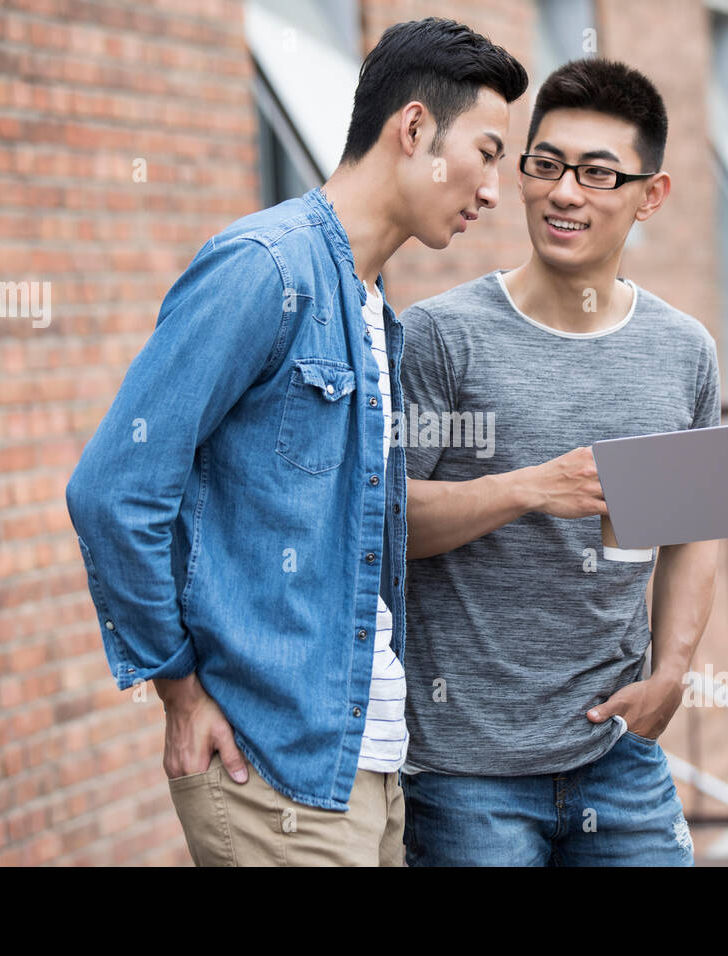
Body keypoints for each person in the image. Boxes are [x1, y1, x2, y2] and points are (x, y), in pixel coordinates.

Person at [65, 17, 527, 867]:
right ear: (415, 128)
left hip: (368, 762)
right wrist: (177, 688)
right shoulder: (264, 269)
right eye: (489, 151)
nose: (494, 189)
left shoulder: (372, 309)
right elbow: (113, 487)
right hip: (271, 769)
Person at [397, 58, 721, 866]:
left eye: (596, 173)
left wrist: (672, 672)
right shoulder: (442, 336)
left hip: (619, 756)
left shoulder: (683, 352)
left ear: (652, 194)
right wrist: (534, 488)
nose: (563, 192)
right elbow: (384, 520)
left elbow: (697, 531)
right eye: (543, 165)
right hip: (468, 773)